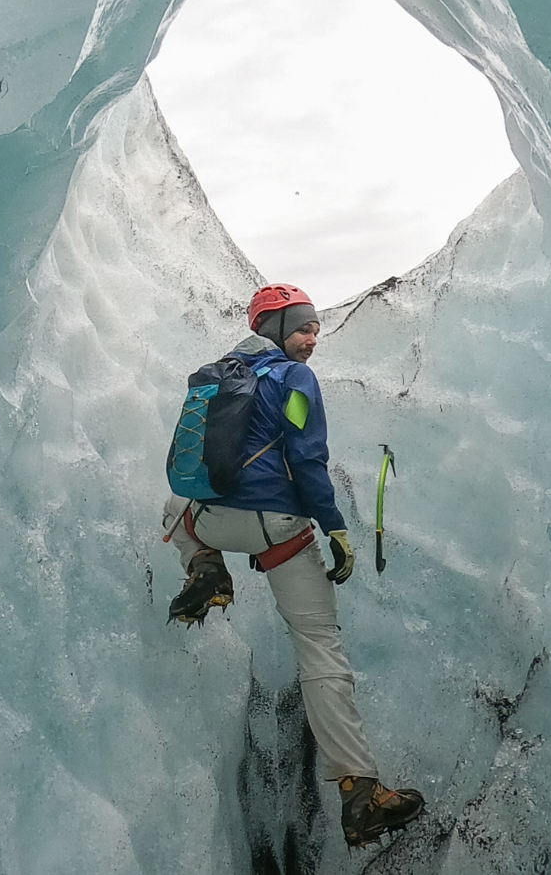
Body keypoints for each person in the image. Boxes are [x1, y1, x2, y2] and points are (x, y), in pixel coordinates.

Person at [161, 283, 425, 848]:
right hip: (277, 531)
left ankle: (205, 566)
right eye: (304, 327)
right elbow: (306, 456)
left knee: (170, 507)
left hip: (211, 520)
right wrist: (333, 527)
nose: (312, 339)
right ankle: (359, 792)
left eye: (315, 329)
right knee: (319, 647)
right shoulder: (294, 381)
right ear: (276, 329)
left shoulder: (215, 375)